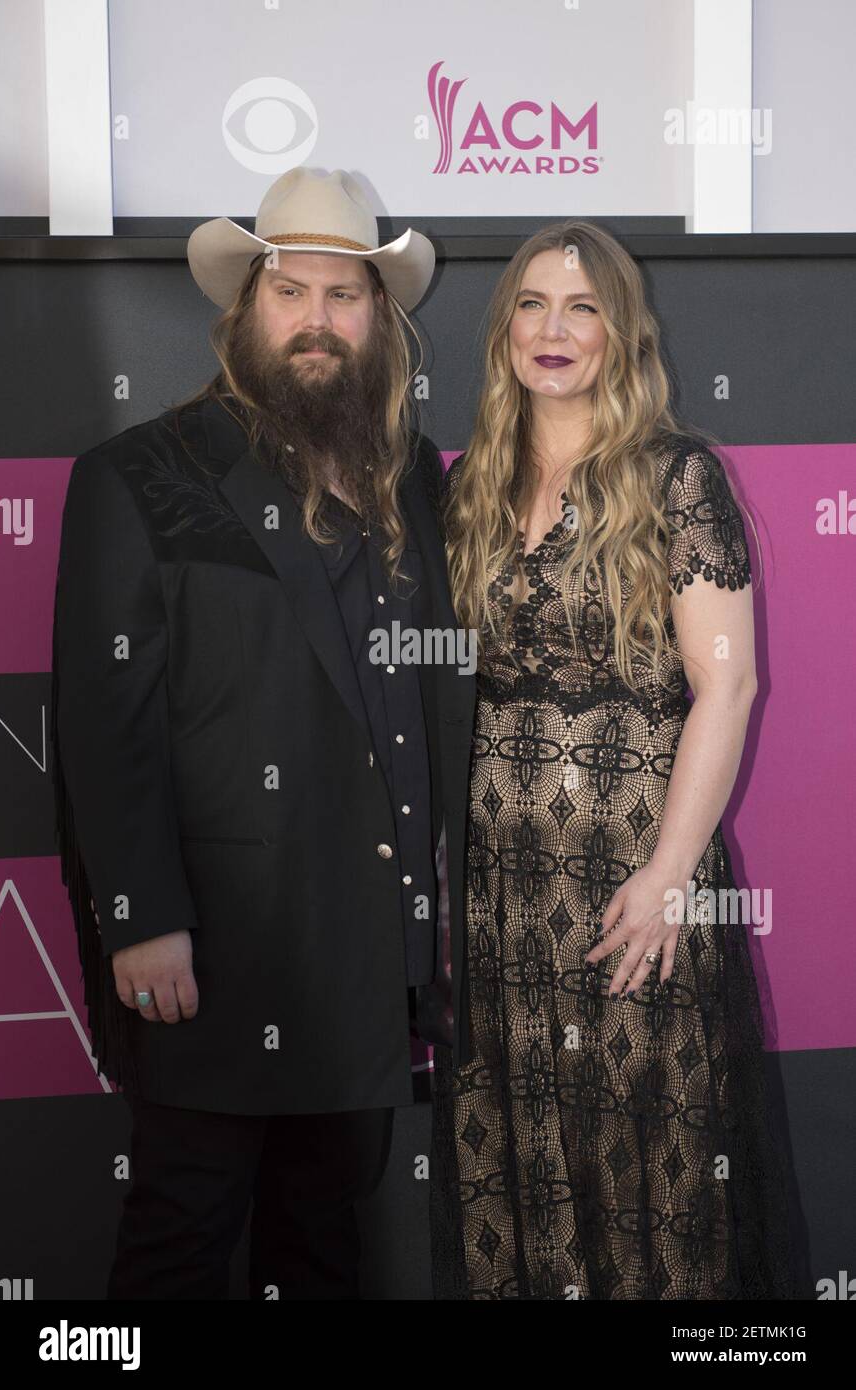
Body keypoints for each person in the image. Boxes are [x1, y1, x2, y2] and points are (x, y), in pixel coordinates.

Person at [50, 167, 476, 1300]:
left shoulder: (413, 484)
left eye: (347, 296)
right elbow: (106, 720)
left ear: (379, 320)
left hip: (363, 965)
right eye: (294, 292)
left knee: (325, 1248)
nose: (319, 320)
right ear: (245, 309)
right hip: (211, 955)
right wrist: (141, 918)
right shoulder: (141, 475)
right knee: (178, 1243)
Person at [428, 219, 811, 1300]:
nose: (555, 328)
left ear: (620, 333)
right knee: (522, 1159)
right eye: (534, 305)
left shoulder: (673, 477)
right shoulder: (468, 487)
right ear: (504, 328)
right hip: (505, 894)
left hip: (634, 879)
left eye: (583, 307)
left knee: (651, 1164)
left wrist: (669, 875)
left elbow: (725, 683)